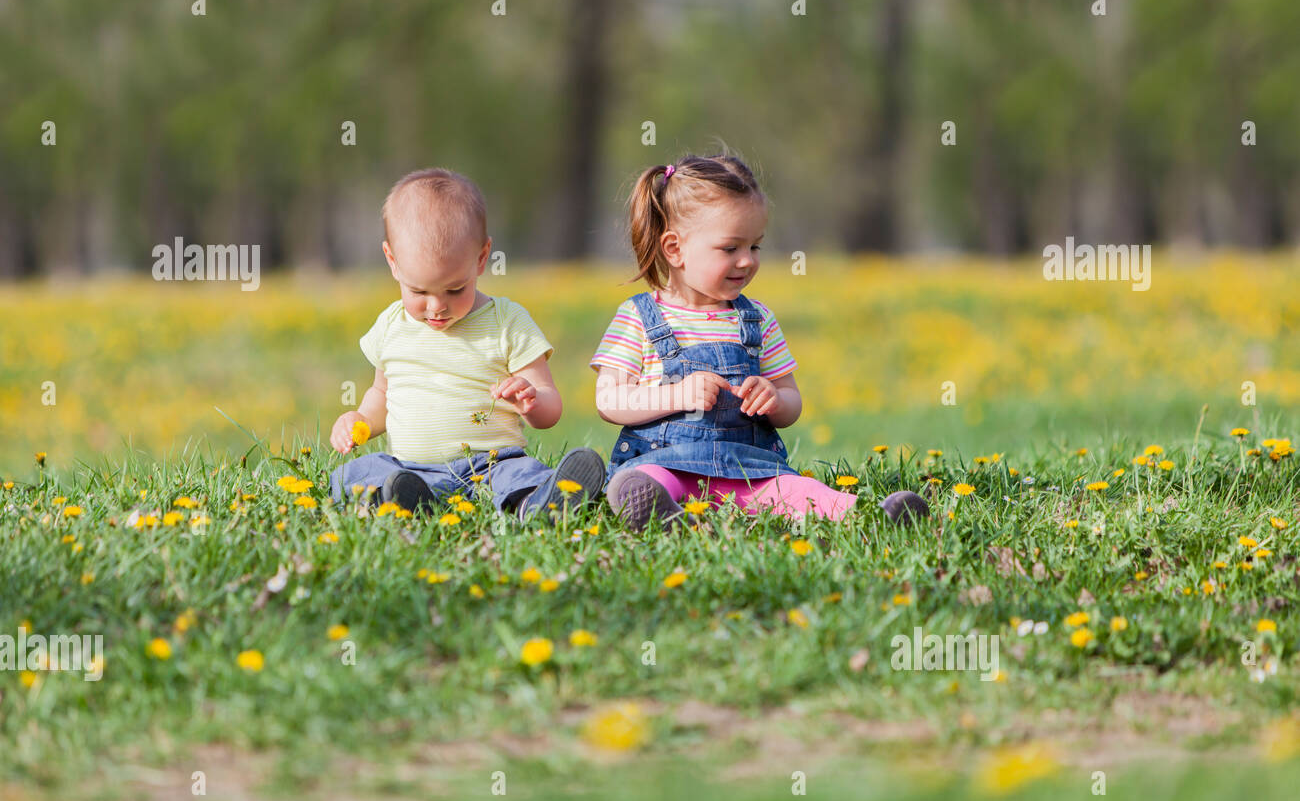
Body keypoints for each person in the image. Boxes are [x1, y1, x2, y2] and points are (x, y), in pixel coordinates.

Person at [591, 153, 926, 530]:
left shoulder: (756, 320)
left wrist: (773, 398)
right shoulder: (638, 316)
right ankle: (661, 514)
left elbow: (791, 402)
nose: (747, 261)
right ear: (674, 249)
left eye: (755, 247)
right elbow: (609, 400)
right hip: (667, 463)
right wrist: (676, 395)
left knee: (798, 489)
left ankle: (871, 518)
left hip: (750, 470)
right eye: (730, 248)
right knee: (639, 482)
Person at [329, 167, 604, 520]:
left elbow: (550, 409)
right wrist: (360, 418)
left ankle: (540, 504)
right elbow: (382, 394)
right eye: (419, 291)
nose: (436, 306)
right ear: (392, 262)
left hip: (492, 466)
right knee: (354, 474)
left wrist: (531, 400)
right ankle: (408, 500)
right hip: (412, 469)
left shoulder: (506, 321)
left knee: (522, 475)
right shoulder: (390, 324)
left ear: (481, 258)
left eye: (455, 289)